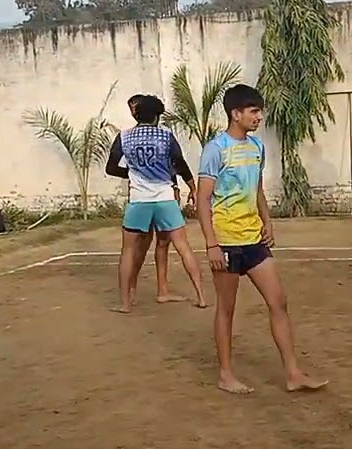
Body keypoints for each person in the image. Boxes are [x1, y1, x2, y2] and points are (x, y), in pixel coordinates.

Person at [196, 84, 326, 395]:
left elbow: (256, 190)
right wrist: (212, 244)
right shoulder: (216, 149)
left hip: (254, 240)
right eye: (253, 111)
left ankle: (293, 373)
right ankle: (226, 374)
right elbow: (202, 200)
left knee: (278, 301)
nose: (259, 117)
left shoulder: (256, 148)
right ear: (235, 113)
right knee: (227, 308)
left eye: (259, 111)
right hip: (226, 242)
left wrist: (267, 220)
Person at [105, 94, 207, 312]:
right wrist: (192, 187)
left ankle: (125, 303)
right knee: (183, 247)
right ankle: (201, 296)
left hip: (139, 200)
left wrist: (133, 173)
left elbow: (111, 168)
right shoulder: (165, 136)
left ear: (137, 114)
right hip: (165, 198)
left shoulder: (124, 137)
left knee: (128, 251)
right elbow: (179, 163)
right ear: (157, 116)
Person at [118, 94, 183, 304]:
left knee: (153, 245)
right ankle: (137, 289)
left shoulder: (129, 137)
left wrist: (135, 173)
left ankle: (143, 293)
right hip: (156, 197)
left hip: (145, 198)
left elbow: (169, 165)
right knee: (145, 247)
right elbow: (175, 163)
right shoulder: (160, 136)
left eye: (133, 107)